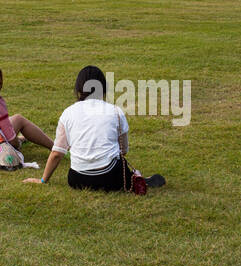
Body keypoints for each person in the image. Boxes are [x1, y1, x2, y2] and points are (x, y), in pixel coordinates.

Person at [23, 65, 164, 191]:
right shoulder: (115, 111)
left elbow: (57, 153)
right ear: (103, 88)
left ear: (78, 88)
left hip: (77, 180)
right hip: (110, 178)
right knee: (122, 167)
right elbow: (123, 151)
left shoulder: (68, 113)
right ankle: (137, 177)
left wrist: (43, 180)